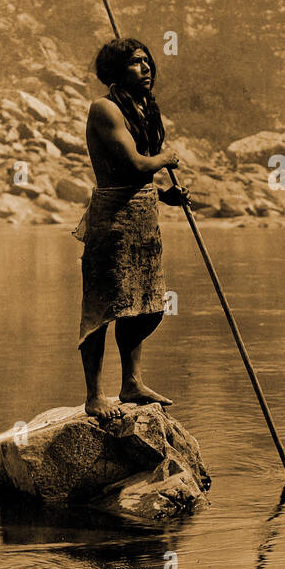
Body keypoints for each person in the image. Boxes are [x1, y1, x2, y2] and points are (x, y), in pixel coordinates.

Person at [75, 37, 190, 423]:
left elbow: (140, 179)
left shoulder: (144, 108)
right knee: (103, 306)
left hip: (143, 216)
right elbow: (134, 164)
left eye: (147, 62)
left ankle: (132, 383)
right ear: (114, 72)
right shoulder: (104, 108)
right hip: (111, 220)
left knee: (142, 304)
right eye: (135, 64)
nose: (146, 69)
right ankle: (94, 396)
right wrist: (165, 158)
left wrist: (166, 197)